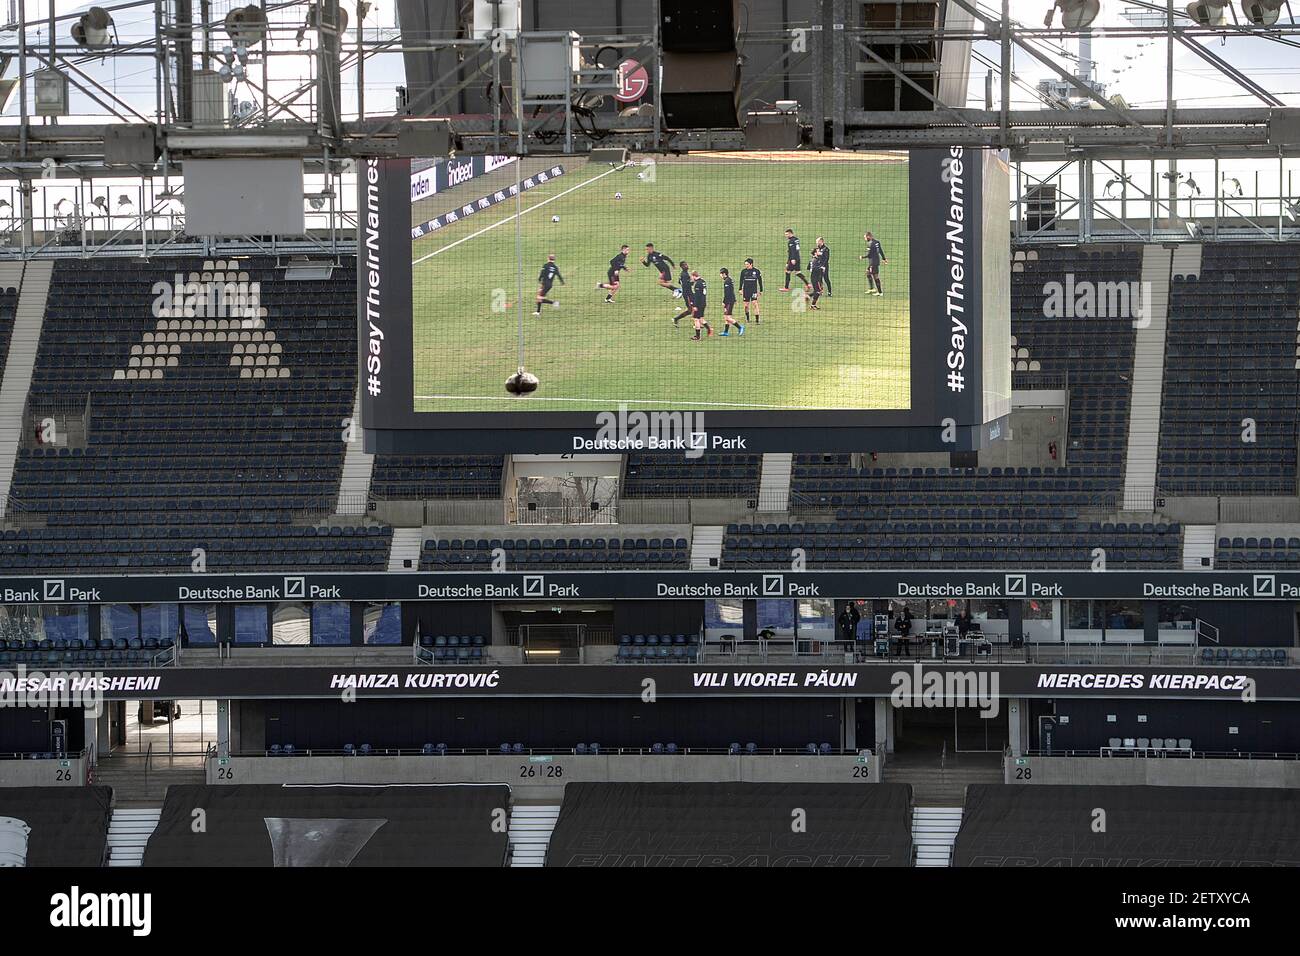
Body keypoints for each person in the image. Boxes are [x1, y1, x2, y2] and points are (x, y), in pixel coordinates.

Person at [718, 268, 744, 336]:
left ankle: (740, 327)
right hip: (731, 300)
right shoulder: (729, 279)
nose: (720, 275)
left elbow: (727, 293)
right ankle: (726, 332)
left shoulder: (727, 281)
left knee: (727, 317)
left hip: (729, 301)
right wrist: (734, 299)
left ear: (724, 274)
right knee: (726, 316)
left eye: (720, 274)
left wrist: (724, 302)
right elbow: (732, 291)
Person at [669, 260, 696, 328]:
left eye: (686, 264)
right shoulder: (684, 274)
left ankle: (676, 319)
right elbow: (685, 285)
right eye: (684, 265)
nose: (686, 266)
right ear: (682, 267)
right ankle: (696, 324)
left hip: (689, 293)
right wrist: (693, 281)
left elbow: (679, 282)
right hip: (687, 294)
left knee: (690, 310)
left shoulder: (683, 274)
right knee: (693, 308)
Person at [688, 270, 713, 341]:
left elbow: (697, 296)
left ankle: (697, 337)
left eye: (691, 277)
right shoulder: (703, 281)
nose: (691, 279)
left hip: (699, 304)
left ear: (693, 276)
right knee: (701, 319)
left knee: (696, 319)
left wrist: (695, 306)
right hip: (703, 303)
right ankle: (709, 329)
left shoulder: (698, 284)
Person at [860, 231, 887, 296]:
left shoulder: (870, 244)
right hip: (876, 261)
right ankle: (872, 288)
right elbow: (880, 250)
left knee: (875, 276)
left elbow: (870, 255)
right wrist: (884, 258)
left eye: (865, 237)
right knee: (868, 272)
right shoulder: (877, 242)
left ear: (868, 236)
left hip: (873, 262)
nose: (865, 239)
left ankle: (880, 292)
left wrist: (862, 257)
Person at [739, 257, 763, 325]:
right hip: (746, 291)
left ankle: (757, 320)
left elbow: (760, 281)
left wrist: (761, 290)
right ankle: (747, 318)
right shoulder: (743, 271)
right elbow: (741, 281)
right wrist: (740, 289)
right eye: (745, 264)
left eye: (747, 264)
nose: (746, 265)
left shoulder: (757, 271)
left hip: (753, 291)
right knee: (746, 306)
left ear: (751, 264)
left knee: (755, 304)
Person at [808, 238, 829, 309]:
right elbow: (814, 268)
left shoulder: (814, 259)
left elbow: (809, 267)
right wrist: (821, 268)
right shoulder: (815, 260)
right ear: (815, 253)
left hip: (814, 277)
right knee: (818, 291)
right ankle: (808, 299)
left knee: (818, 291)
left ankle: (812, 304)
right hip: (815, 278)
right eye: (817, 251)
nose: (819, 252)